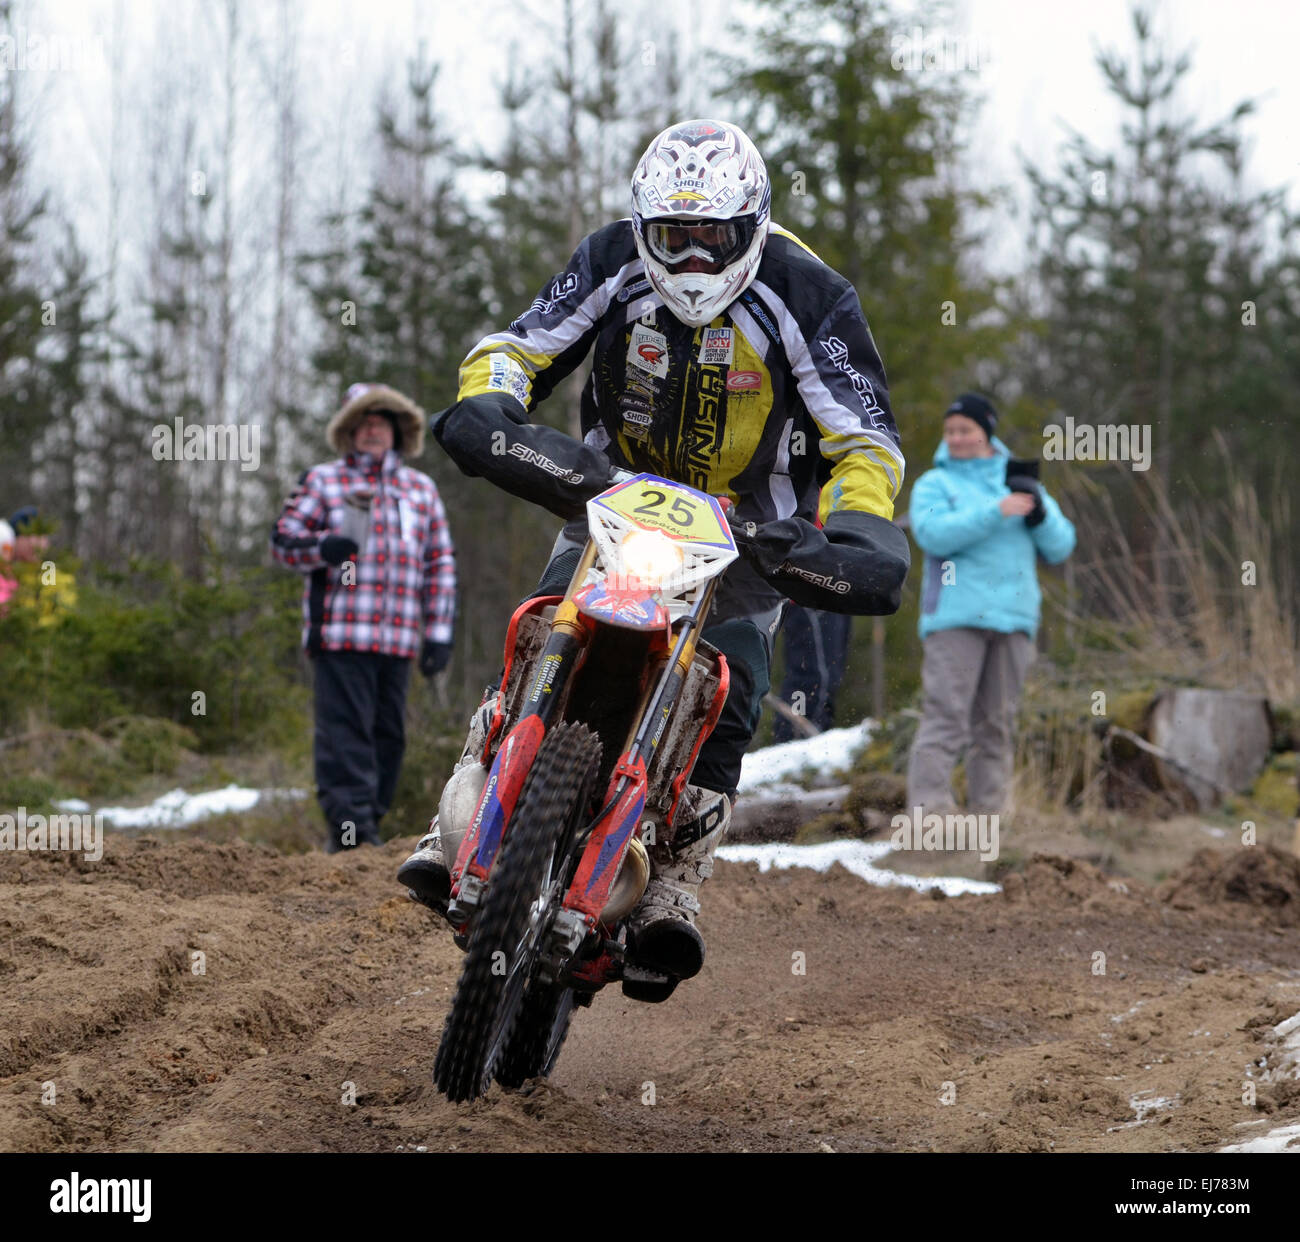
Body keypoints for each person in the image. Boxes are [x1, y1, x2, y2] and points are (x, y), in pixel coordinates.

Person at [398, 118, 910, 995]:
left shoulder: (811, 293)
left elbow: (864, 441)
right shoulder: (610, 261)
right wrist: (491, 400)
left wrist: (857, 527)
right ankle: (470, 805)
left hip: (750, 531)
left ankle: (676, 884)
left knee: (733, 686)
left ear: (753, 224)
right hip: (613, 500)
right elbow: (518, 346)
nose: (697, 260)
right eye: (677, 237)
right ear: (645, 226)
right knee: (538, 628)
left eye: (717, 238)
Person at [271, 383, 457, 853]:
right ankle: (351, 834)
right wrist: (322, 548)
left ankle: (365, 830)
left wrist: (437, 635)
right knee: (344, 737)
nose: (373, 429)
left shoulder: (420, 490)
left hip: (398, 640)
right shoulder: (323, 481)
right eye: (364, 422)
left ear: (398, 431)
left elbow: (439, 564)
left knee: (388, 738)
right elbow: (283, 542)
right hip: (340, 635)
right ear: (350, 431)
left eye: (382, 421)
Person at [905, 393, 1076, 814]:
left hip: (1014, 618)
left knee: (996, 728)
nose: (957, 438)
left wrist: (1038, 516)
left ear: (987, 432)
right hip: (955, 618)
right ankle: (930, 821)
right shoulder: (935, 482)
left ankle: (990, 823)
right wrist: (995, 511)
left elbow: (1061, 546)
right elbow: (932, 534)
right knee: (945, 719)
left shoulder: (1019, 481)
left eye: (966, 430)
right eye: (951, 431)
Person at [770, 604, 852, 741]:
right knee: (810, 677)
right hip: (810, 596)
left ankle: (814, 743)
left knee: (831, 677)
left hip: (839, 593)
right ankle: (792, 741)